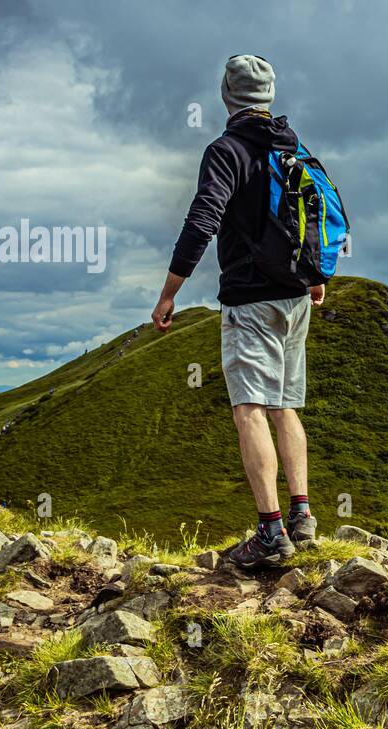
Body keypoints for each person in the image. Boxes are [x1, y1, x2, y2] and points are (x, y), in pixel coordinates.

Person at [151, 54, 321, 567]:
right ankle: (302, 517)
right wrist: (314, 275)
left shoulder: (225, 151)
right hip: (296, 296)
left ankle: (270, 535)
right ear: (268, 96)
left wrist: (169, 291)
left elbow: (204, 217)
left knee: (249, 407)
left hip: (250, 299)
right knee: (285, 404)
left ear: (227, 96)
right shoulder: (294, 148)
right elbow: (309, 214)